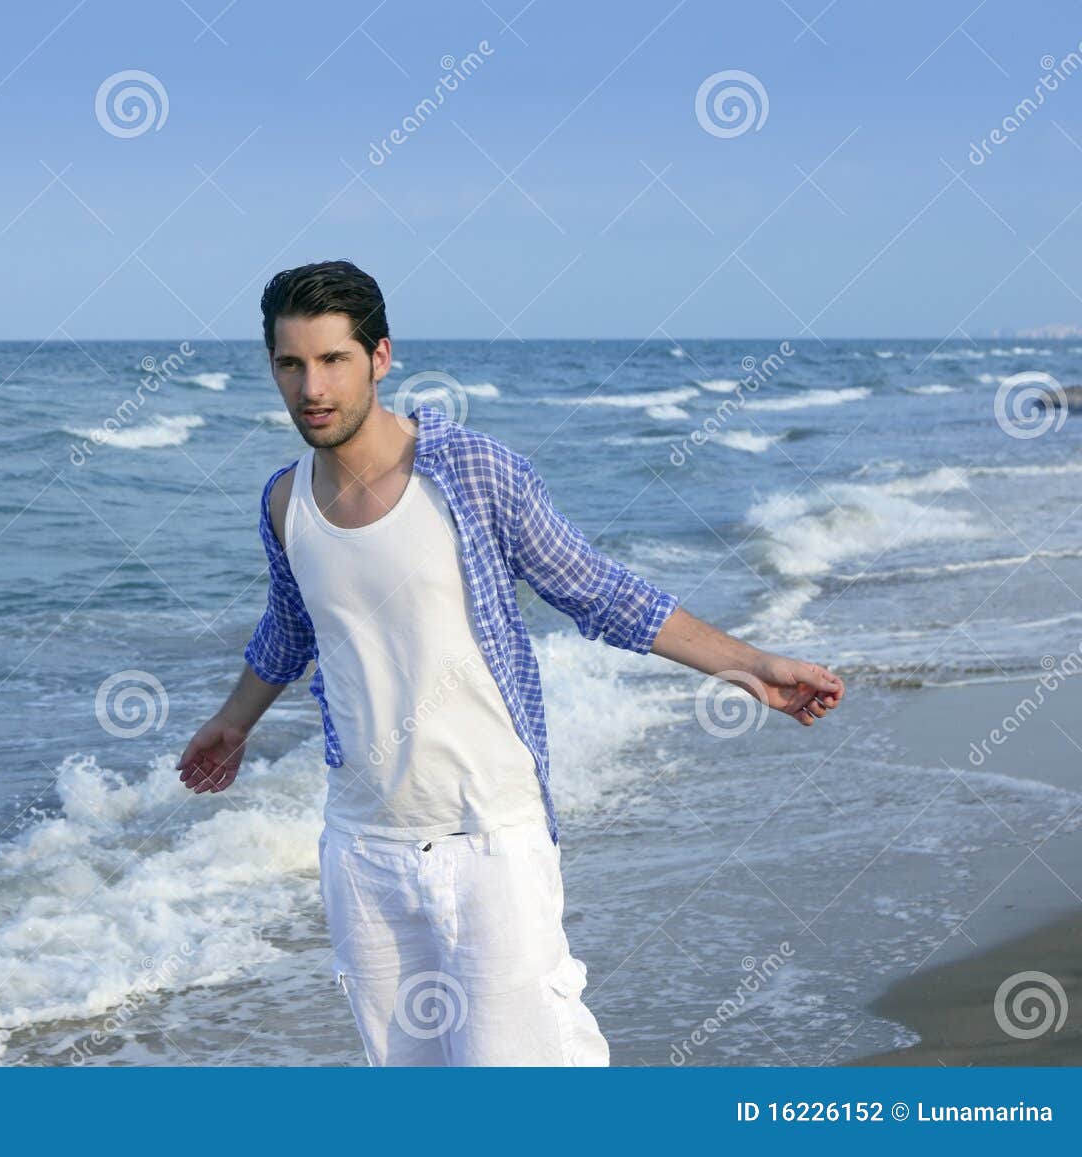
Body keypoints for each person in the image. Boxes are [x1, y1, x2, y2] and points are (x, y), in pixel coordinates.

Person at [175, 259, 844, 1066]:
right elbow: (291, 627)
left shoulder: (471, 472)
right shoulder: (285, 500)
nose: (311, 386)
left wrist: (751, 666)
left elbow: (597, 590)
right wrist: (233, 721)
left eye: (332, 360)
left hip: (490, 839)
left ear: (379, 358)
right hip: (363, 849)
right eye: (291, 363)